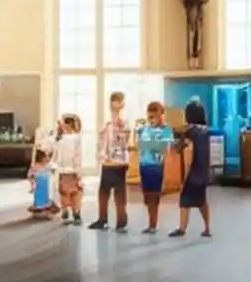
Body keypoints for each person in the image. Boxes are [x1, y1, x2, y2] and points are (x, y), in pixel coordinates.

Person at [171, 99, 212, 238]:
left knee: (185, 200)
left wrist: (184, 177)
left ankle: (182, 228)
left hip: (192, 172)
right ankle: (207, 228)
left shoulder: (190, 132)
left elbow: (187, 153)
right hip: (203, 172)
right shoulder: (205, 131)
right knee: (202, 201)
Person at [91, 91, 130, 232]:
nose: (115, 104)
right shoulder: (107, 122)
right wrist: (102, 155)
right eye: (114, 101)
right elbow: (102, 141)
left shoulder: (123, 122)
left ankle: (121, 220)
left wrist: (123, 131)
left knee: (119, 193)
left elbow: (124, 142)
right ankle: (103, 219)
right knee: (104, 192)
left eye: (118, 101)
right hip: (108, 161)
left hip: (118, 162)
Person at [137, 101, 174, 233]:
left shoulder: (166, 130)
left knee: (154, 196)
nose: (152, 118)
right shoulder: (144, 129)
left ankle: (153, 224)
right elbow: (141, 147)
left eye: (155, 115)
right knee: (147, 197)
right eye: (150, 116)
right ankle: (151, 223)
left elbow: (165, 149)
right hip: (144, 166)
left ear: (161, 114)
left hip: (156, 167)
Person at [54, 114, 84, 225]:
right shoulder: (76, 138)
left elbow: (56, 155)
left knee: (64, 193)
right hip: (72, 171)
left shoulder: (60, 139)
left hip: (62, 171)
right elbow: (77, 156)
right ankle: (76, 213)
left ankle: (65, 210)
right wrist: (79, 172)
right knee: (75, 193)